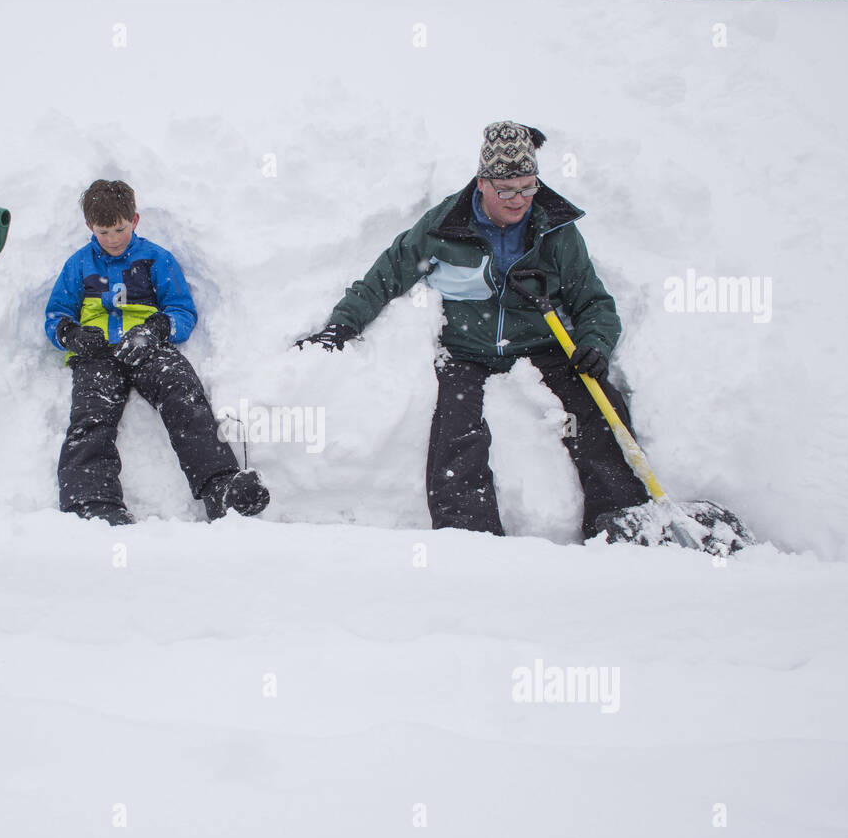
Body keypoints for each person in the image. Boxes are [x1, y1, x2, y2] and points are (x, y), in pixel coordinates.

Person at [297, 122, 648, 539]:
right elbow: (386, 275)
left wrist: (595, 343)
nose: (519, 200)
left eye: (528, 187)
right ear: (483, 183)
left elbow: (594, 301)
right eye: (507, 190)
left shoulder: (554, 230)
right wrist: (342, 324)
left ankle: (621, 523)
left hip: (541, 345)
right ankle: (469, 538)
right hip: (466, 349)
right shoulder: (444, 226)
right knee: (456, 433)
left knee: (596, 413)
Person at [45, 179, 269, 525]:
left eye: (120, 229)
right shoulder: (78, 265)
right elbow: (56, 314)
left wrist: (157, 330)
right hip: (98, 354)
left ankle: (221, 487)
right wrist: (71, 334)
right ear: (90, 227)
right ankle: (91, 502)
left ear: (134, 220)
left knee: (184, 396)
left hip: (148, 347)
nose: (114, 239)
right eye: (104, 232)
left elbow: (182, 311)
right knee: (91, 417)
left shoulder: (156, 259)